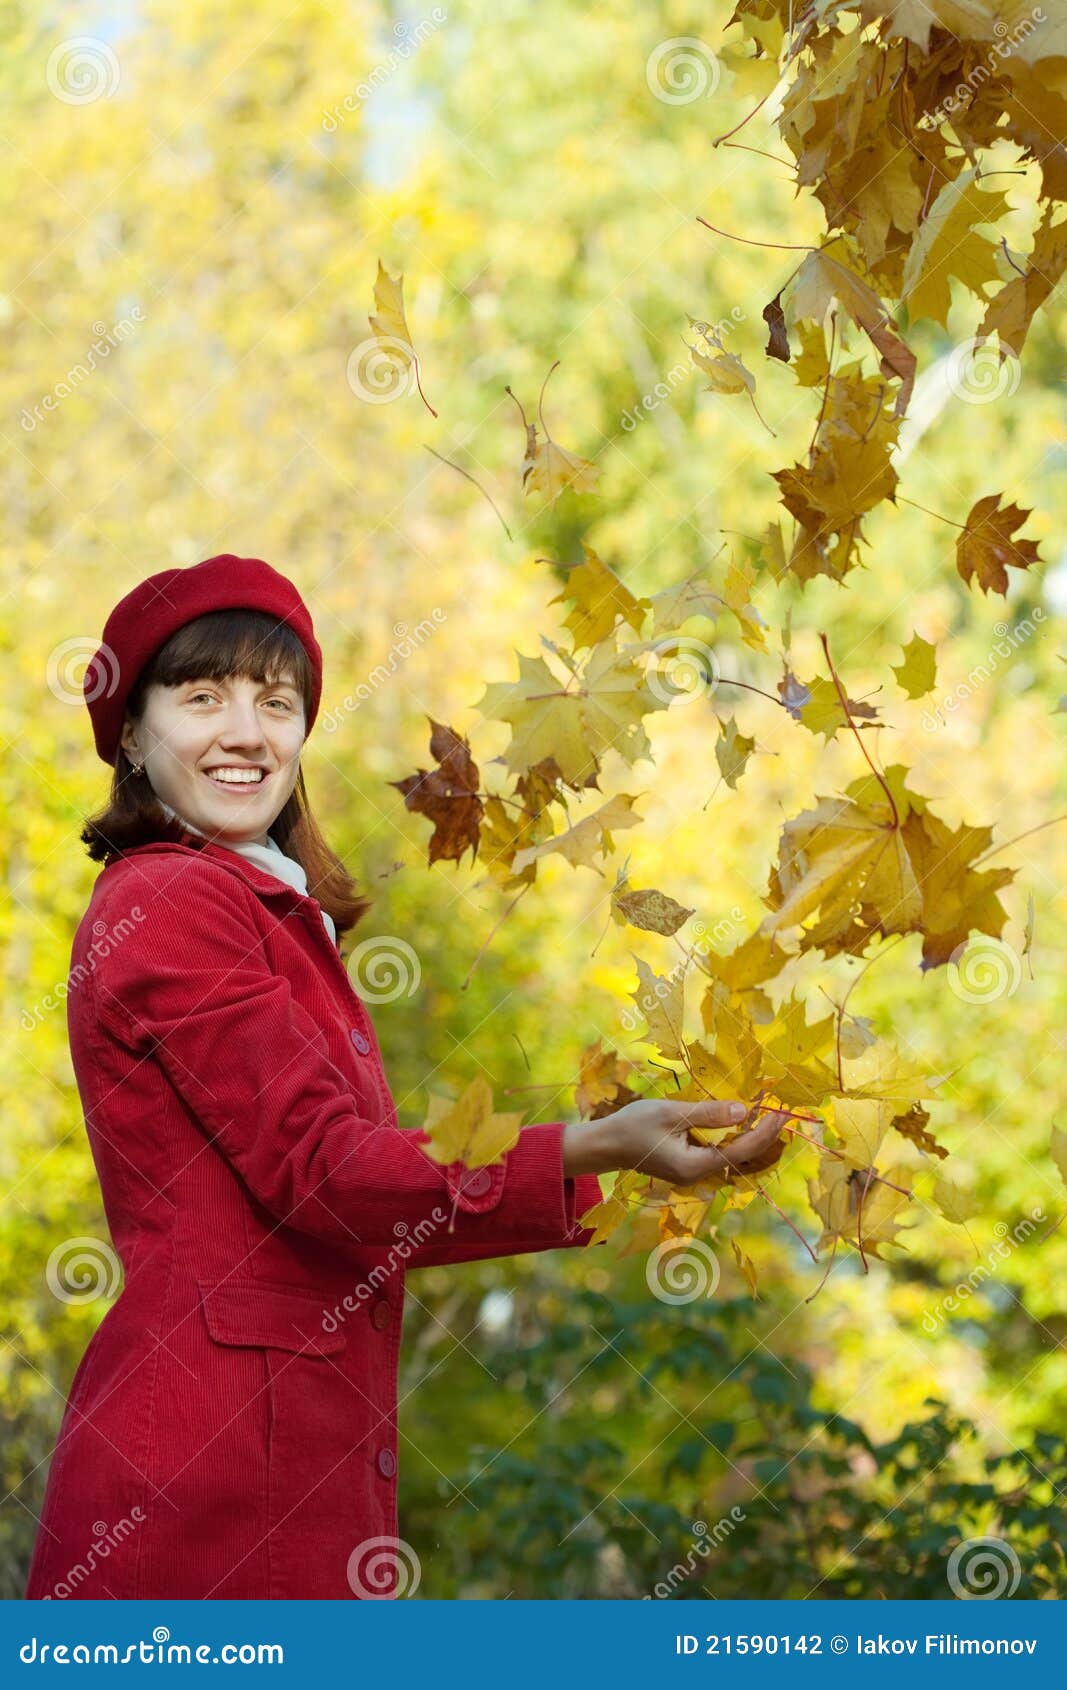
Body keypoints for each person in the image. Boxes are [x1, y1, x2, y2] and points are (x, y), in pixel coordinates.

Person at [24, 551, 786, 1601]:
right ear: (133, 736)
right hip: (205, 1496)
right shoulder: (173, 902)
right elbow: (330, 1175)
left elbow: (371, 1197)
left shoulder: (269, 910)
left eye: (276, 702)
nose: (247, 732)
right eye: (202, 698)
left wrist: (601, 1160)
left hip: (277, 1478)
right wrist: (592, 1147)